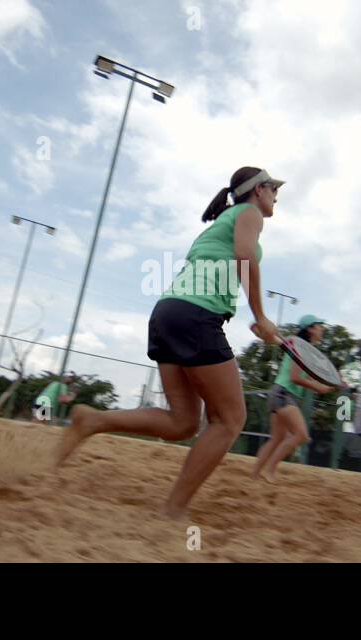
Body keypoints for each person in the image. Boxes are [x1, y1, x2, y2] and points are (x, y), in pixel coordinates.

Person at [54, 167, 285, 519]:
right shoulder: (249, 213)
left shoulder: (218, 225)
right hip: (196, 315)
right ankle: (174, 508)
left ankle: (92, 421)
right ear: (258, 190)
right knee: (229, 420)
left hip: (168, 313)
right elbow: (244, 257)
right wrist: (261, 316)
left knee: (183, 423)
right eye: (273, 189)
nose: (276, 195)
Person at [251, 315, 336, 482]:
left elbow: (304, 376)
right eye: (320, 326)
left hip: (278, 393)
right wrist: (319, 387)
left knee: (277, 438)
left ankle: (254, 476)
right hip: (283, 393)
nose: (323, 329)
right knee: (302, 436)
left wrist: (326, 385)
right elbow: (295, 377)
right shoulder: (299, 347)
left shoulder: (302, 347)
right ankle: (269, 470)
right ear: (310, 328)